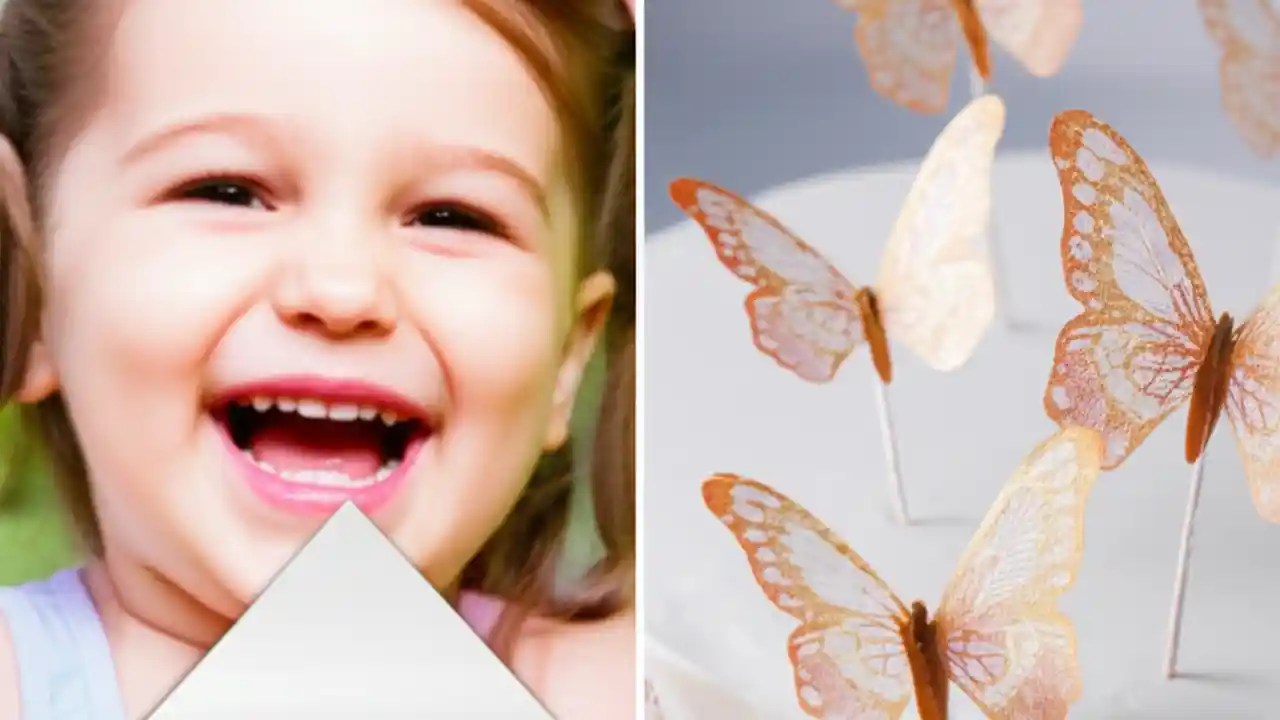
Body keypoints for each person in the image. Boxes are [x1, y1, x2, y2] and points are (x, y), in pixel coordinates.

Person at [0, 0, 636, 717]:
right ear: (34, 300)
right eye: (226, 191)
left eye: (452, 216)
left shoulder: (610, 690)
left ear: (567, 360)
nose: (342, 289)